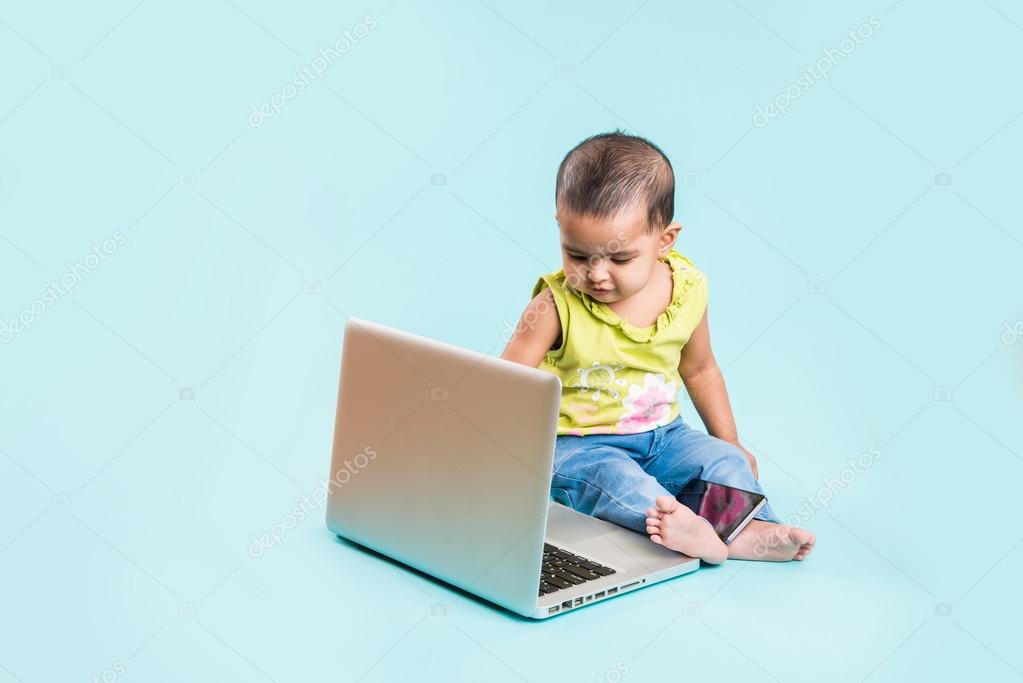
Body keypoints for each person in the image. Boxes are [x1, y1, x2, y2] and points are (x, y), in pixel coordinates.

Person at [501, 131, 815, 563]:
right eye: (577, 255)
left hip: (664, 437)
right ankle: (689, 528)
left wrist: (732, 441)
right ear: (560, 225)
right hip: (577, 443)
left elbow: (701, 370)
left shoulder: (687, 291)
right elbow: (507, 384)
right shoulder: (555, 306)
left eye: (620, 259)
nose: (596, 275)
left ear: (665, 240)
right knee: (615, 479)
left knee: (722, 463)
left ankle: (744, 532)